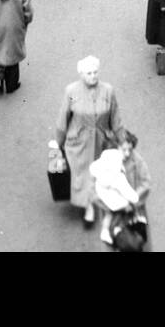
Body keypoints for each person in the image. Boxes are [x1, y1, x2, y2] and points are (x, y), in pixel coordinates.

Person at [54, 56, 123, 226]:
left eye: (95, 72)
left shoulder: (108, 90)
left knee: (100, 175)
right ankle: (89, 208)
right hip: (79, 142)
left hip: (102, 141)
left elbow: (116, 119)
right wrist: (58, 142)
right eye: (89, 73)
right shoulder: (71, 91)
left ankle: (96, 202)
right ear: (81, 74)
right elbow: (63, 118)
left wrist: (123, 142)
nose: (93, 76)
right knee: (84, 175)